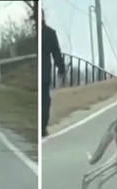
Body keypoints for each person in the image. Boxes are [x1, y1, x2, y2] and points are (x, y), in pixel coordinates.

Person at [42, 10, 65, 138]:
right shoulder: (45, 33)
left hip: (44, 74)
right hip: (41, 73)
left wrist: (60, 67)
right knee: (43, 101)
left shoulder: (50, 33)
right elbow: (56, 52)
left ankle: (42, 127)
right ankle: (41, 127)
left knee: (45, 102)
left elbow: (56, 52)